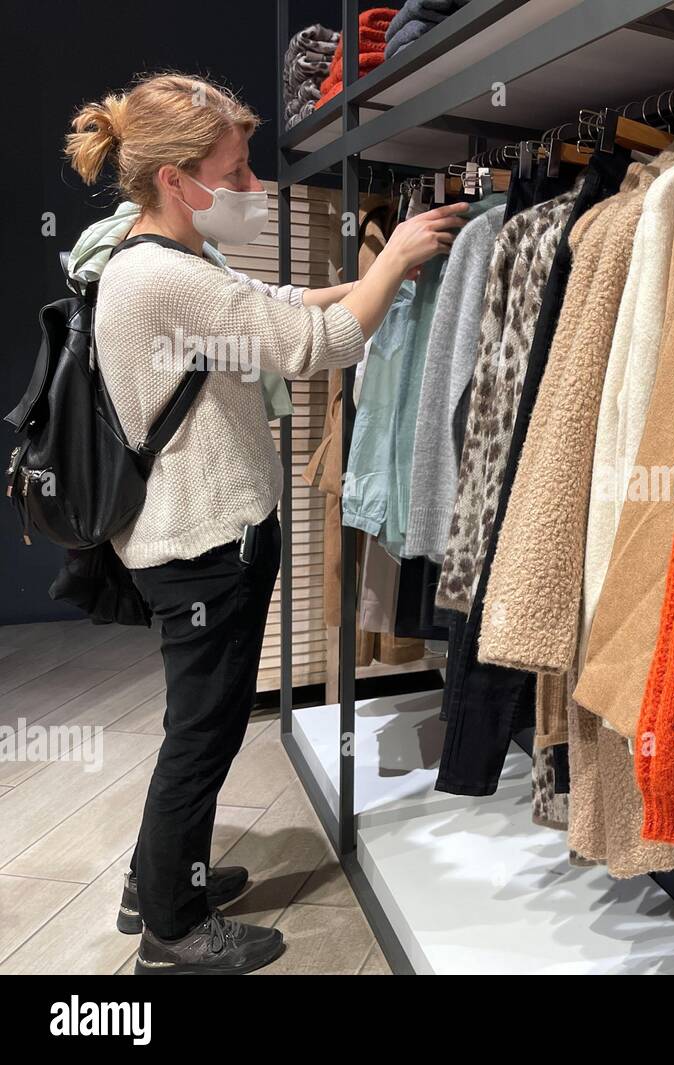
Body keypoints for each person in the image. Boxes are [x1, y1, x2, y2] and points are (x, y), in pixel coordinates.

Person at [64, 72, 468, 975]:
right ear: (176, 180)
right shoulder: (165, 279)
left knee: (193, 726)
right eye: (235, 174)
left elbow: (276, 313)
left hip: (194, 541)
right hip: (204, 548)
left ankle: (155, 881)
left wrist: (360, 280)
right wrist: (396, 262)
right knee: (202, 735)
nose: (250, 191)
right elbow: (314, 347)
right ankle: (171, 930)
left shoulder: (147, 259)